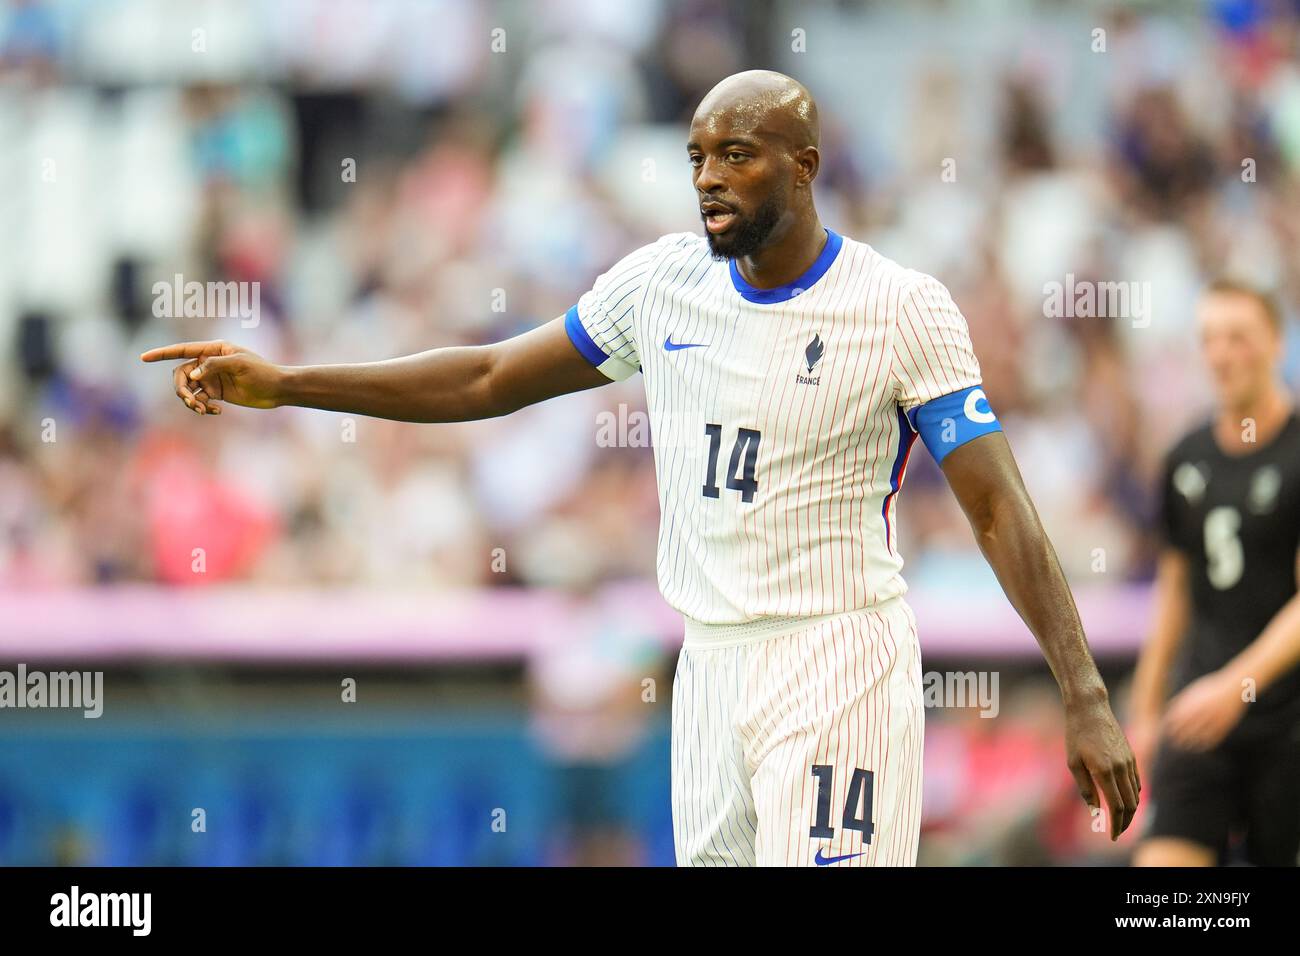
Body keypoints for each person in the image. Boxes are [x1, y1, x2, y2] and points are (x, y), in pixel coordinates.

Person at [142, 70, 1138, 866]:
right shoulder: (660, 283)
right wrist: (288, 384)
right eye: (696, 155)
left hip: (837, 659)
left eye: (735, 156)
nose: (707, 176)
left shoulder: (899, 307)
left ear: (805, 167)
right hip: (707, 664)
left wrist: (1083, 689)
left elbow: (999, 505)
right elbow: (489, 374)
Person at [1131, 280, 1300, 866]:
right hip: (1200, 715)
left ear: (1276, 343)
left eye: (1239, 338)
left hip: (1285, 720)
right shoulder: (1186, 458)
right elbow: (1173, 593)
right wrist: (1146, 713)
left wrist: (1236, 686)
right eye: (1210, 340)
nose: (1223, 354)